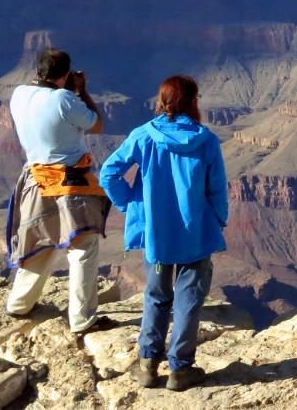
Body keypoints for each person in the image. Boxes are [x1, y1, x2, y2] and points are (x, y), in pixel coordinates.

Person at [99, 75, 228, 392]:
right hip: (195, 234)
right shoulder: (206, 140)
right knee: (188, 301)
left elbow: (109, 173)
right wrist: (217, 221)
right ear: (193, 102)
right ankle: (180, 370)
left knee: (156, 298)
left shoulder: (143, 136)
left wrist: (132, 205)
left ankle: (147, 367)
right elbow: (217, 191)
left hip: (157, 235)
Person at [5, 47, 110, 334]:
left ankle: (19, 304)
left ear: (37, 70)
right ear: (65, 74)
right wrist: (82, 91)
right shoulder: (64, 98)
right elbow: (96, 123)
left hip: (34, 178)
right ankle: (81, 320)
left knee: (39, 238)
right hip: (69, 181)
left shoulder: (18, 94)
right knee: (83, 247)